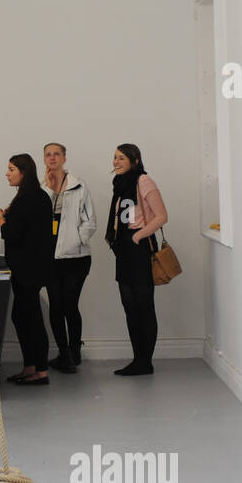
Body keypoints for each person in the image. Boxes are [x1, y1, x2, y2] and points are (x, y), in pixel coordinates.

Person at [105, 143, 167, 376]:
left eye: (122, 158)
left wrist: (137, 237)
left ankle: (145, 361)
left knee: (144, 306)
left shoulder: (143, 181)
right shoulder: (119, 184)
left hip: (139, 248)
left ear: (135, 160)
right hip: (123, 249)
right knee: (129, 306)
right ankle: (137, 359)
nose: (116, 162)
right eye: (115, 157)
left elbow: (161, 216)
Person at [0, 155, 52, 386]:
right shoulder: (35, 196)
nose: (7, 173)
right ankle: (31, 366)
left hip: (28, 269)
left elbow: (13, 234)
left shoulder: (26, 199)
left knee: (30, 318)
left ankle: (40, 370)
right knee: (22, 316)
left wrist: (1, 220)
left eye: (11, 169)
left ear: (23, 172)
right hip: (31, 267)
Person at [41, 143, 97, 373]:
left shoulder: (78, 185)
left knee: (70, 305)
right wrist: (51, 189)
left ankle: (74, 351)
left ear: (64, 157)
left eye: (56, 154)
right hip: (50, 256)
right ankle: (63, 353)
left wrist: (77, 239)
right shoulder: (42, 186)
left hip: (76, 257)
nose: (52, 158)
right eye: (48, 154)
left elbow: (90, 221)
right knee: (56, 305)